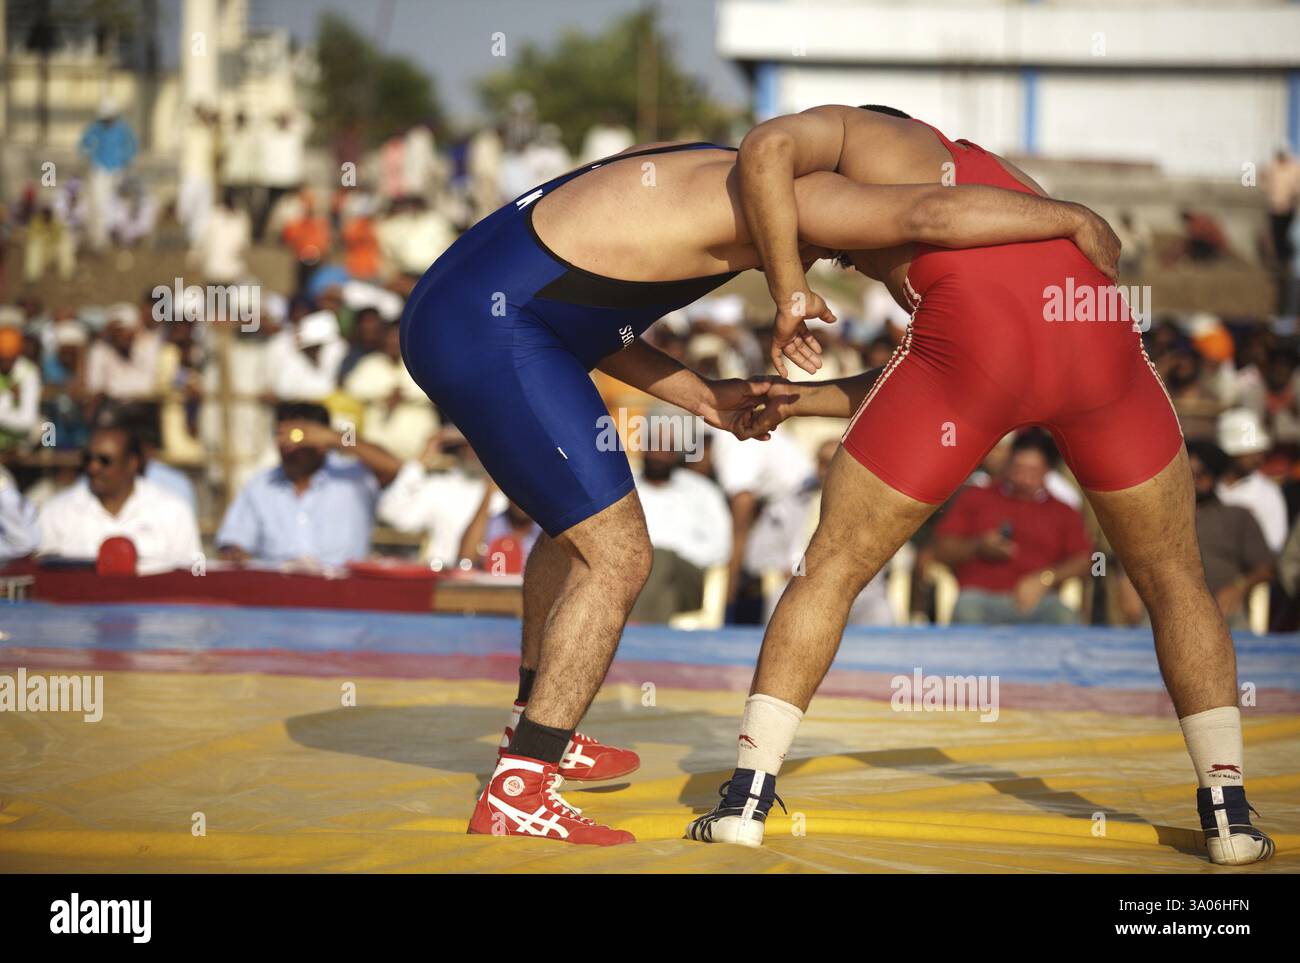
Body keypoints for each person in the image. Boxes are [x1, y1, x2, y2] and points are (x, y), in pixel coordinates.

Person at [401, 115, 1122, 844]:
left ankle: (535, 726)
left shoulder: (686, 167)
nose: (848, 263)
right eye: (846, 253)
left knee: (578, 529)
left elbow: (582, 314)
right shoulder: (801, 195)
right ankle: (520, 787)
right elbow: (930, 212)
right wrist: (1071, 216)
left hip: (471, 304)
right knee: (615, 557)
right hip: (492, 328)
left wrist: (701, 395)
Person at [684, 104, 1271, 865]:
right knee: (1175, 578)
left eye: (838, 255)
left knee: (830, 568)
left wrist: (788, 288)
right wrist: (801, 398)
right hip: (1095, 342)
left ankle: (746, 799)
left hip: (977, 345)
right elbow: (942, 360)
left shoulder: (869, 140)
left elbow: (769, 145)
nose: (846, 259)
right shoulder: (1002, 183)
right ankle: (1229, 814)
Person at [932, 431, 1092, 625]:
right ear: (1008, 464)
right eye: (1018, 468)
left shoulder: (1063, 511)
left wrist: (1046, 578)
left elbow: (1085, 560)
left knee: (1065, 618)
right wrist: (979, 546)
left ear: (1046, 472)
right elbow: (941, 549)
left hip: (1039, 601)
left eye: (1032, 471)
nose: (1024, 478)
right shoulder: (975, 497)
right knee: (967, 609)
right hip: (982, 598)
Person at [216, 402, 400, 567]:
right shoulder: (260, 486)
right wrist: (235, 554)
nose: (287, 443)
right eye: (280, 434)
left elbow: (395, 467)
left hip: (344, 587)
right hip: (278, 588)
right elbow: (233, 542)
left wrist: (335, 438)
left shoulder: (353, 477)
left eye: (296, 435)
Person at [36, 425, 199, 573]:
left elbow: (190, 576)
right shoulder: (56, 512)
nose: (93, 467)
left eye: (104, 461)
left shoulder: (173, 511)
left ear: (132, 463)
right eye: (88, 459)